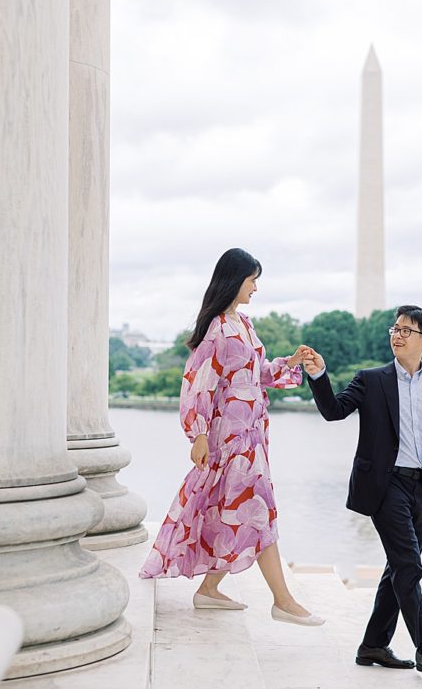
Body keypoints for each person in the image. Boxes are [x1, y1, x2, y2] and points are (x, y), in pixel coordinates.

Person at [139, 248, 324, 628]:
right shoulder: (217, 330)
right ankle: (283, 600)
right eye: (252, 279)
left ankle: (209, 590)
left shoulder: (245, 324)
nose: (255, 287)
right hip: (229, 439)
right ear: (234, 280)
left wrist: (289, 363)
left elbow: (256, 375)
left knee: (232, 510)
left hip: (253, 436)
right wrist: (199, 434)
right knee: (256, 509)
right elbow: (198, 382)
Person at [301, 305, 422, 675]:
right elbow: (334, 411)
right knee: (409, 566)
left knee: (398, 570)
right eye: (395, 328)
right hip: (384, 485)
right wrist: (318, 375)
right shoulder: (371, 380)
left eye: (407, 330)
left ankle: (373, 646)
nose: (397, 335)